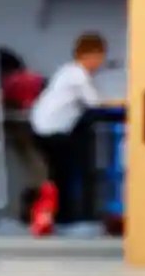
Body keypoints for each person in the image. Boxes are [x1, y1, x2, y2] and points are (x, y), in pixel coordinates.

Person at [30, 32, 107, 225]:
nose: (99, 63)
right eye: (99, 57)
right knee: (64, 173)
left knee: (58, 174)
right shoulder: (78, 75)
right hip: (51, 129)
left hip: (41, 126)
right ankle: (64, 217)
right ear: (89, 55)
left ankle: (57, 216)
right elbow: (95, 103)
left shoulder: (67, 70)